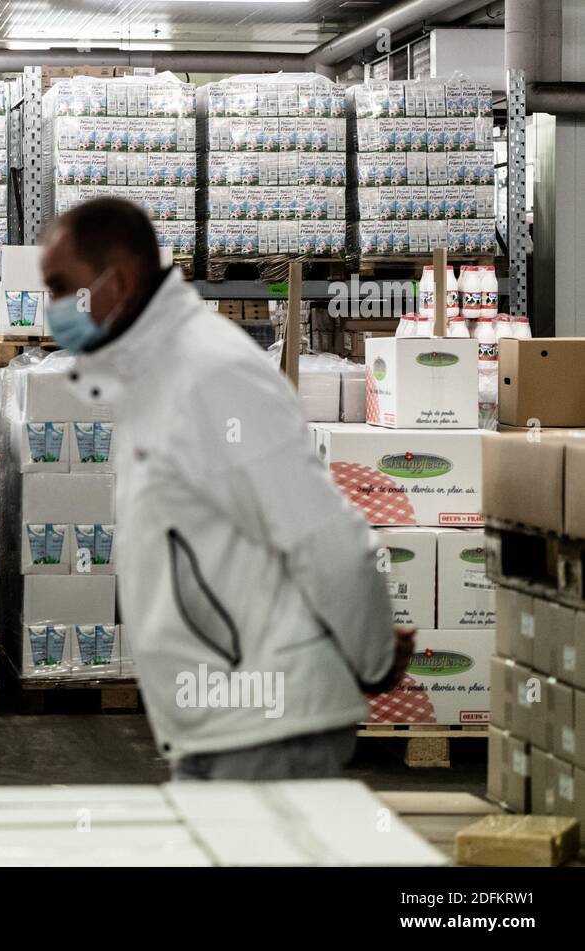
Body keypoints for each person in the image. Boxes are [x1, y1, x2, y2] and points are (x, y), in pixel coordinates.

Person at [39, 197, 413, 781]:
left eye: (63, 287)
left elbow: (327, 539)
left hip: (267, 723)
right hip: (220, 719)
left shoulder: (211, 373)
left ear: (120, 280)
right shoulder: (152, 378)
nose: (53, 308)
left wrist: (372, 661)